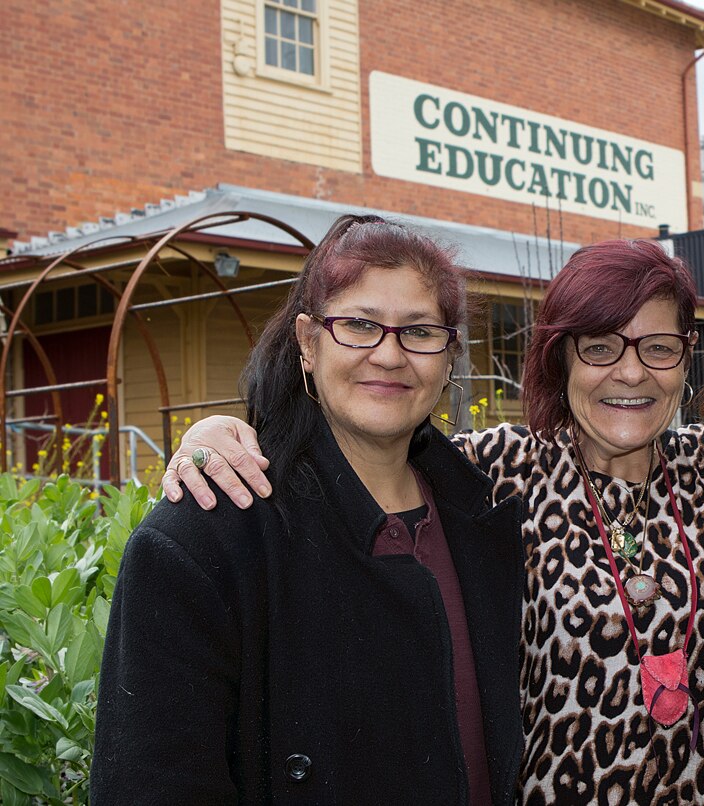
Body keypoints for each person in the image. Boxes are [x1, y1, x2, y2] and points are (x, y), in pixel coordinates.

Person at [161, 240, 704, 803]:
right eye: (600, 347)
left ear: (685, 360)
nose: (631, 374)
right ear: (561, 359)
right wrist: (218, 432)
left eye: (658, 347)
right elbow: (364, 442)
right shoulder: (487, 476)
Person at [92, 215, 524, 804]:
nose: (389, 355)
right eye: (359, 325)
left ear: (448, 357)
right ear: (307, 342)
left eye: (420, 331)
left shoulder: (482, 516)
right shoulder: (208, 538)